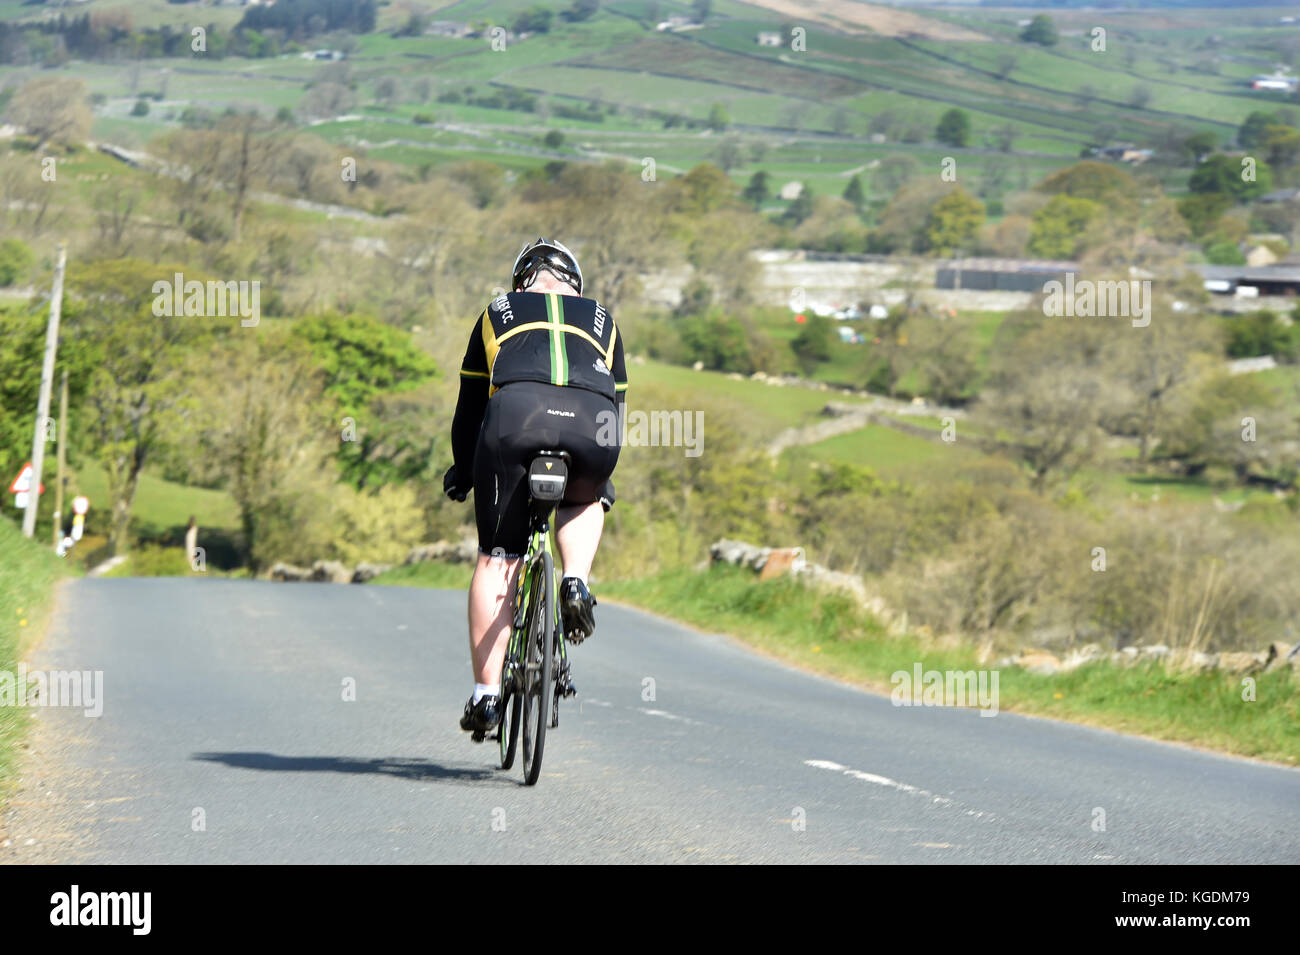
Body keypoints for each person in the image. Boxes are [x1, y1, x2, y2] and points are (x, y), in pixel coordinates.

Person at [443, 238, 627, 738]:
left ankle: (485, 698)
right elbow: (619, 408)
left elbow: (470, 406)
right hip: (592, 427)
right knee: (585, 498)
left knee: (497, 556)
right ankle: (575, 581)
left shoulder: (497, 311)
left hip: (515, 421)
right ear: (575, 283)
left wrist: (464, 469)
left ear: (522, 281)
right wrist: (601, 479)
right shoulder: (602, 320)